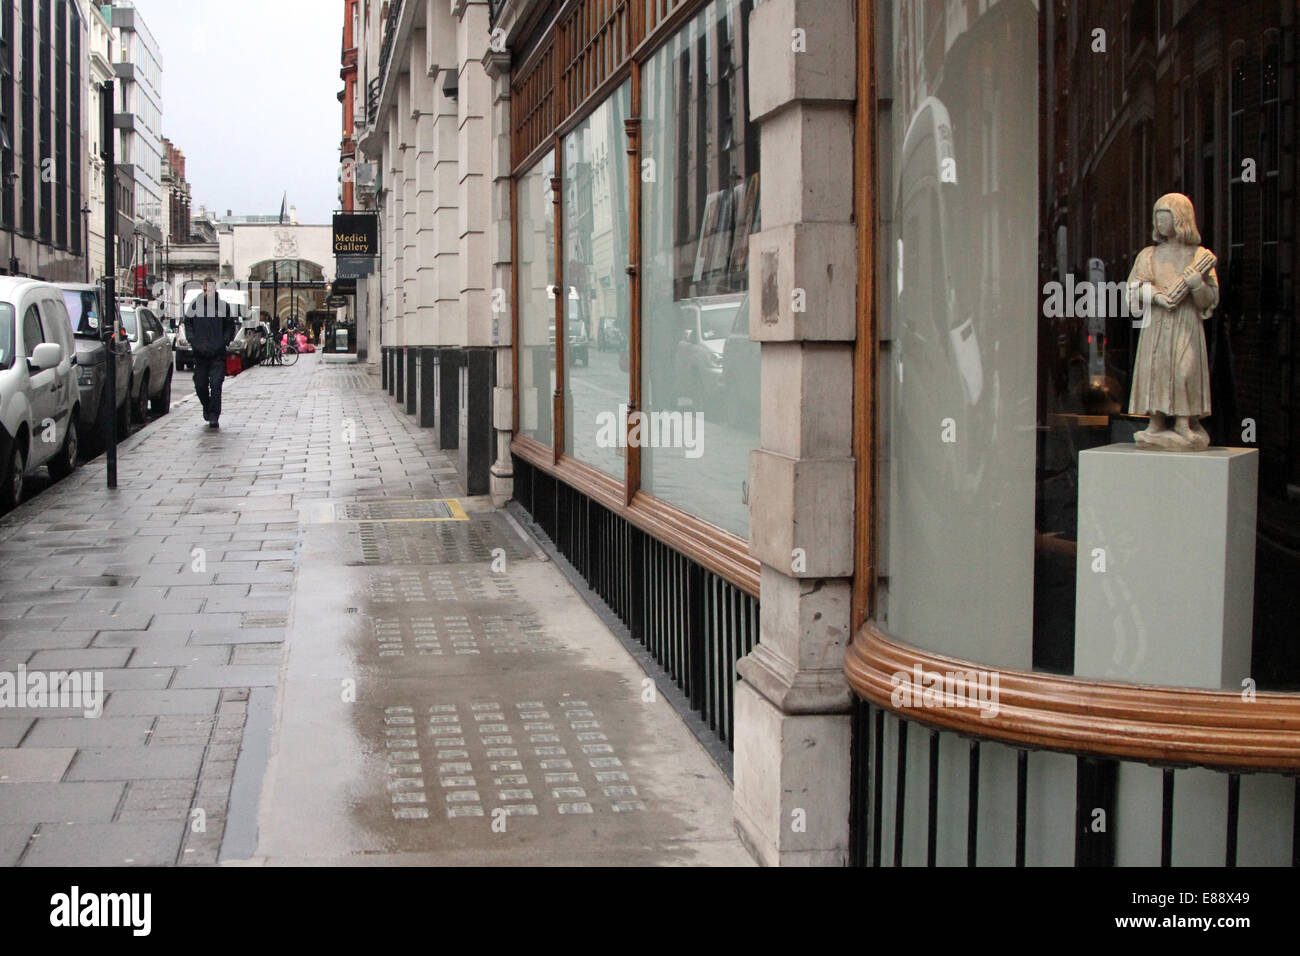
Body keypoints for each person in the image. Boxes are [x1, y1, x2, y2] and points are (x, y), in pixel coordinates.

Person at [183, 277, 238, 429]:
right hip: (200, 354)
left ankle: (214, 415)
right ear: (203, 289)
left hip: (217, 354)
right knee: (200, 385)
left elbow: (230, 326)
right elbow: (188, 324)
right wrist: (193, 341)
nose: (209, 293)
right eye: (206, 290)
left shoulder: (223, 307)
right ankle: (207, 407)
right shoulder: (195, 306)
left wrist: (224, 341)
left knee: (216, 385)